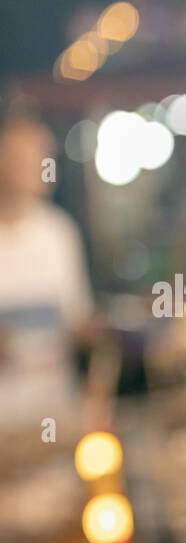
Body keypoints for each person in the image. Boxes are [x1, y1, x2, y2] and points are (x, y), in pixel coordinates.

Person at [0, 109, 93, 423]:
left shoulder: (58, 232)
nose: (42, 167)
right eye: (26, 157)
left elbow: (77, 318)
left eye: (45, 156)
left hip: (54, 414)